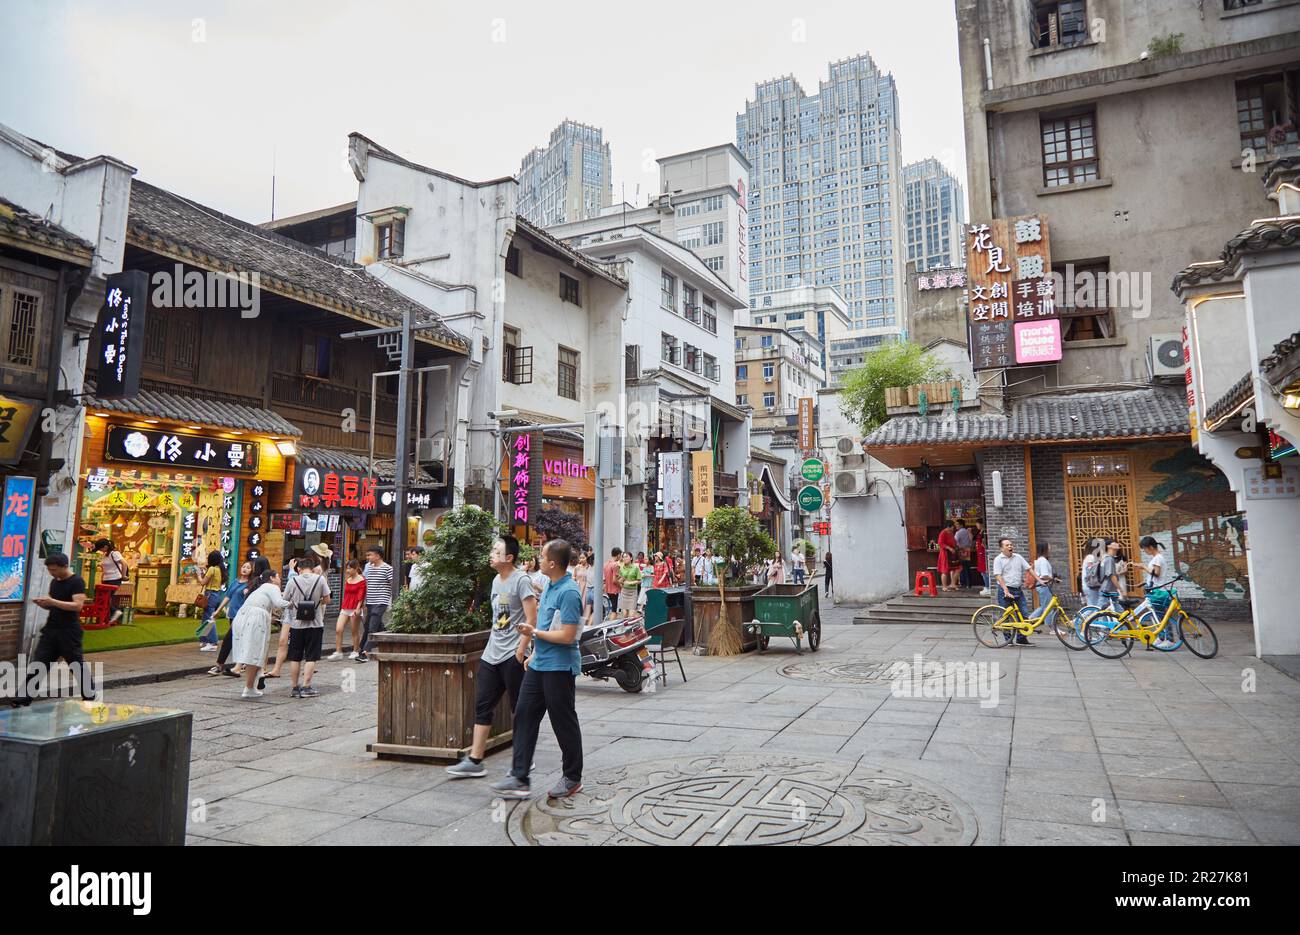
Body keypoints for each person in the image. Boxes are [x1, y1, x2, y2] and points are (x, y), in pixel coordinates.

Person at [490, 539, 584, 801]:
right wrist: (535, 652)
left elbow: (567, 636)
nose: (538, 559)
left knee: (562, 720)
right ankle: (519, 776)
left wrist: (534, 633)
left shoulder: (569, 592)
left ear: (552, 563)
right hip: (540, 664)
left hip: (559, 667)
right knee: (523, 714)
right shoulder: (550, 586)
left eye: (542, 556)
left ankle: (572, 777)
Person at [446, 535, 537, 779]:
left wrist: (521, 651)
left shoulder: (522, 580)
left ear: (509, 557)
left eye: (497, 552)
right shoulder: (497, 580)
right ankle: (476, 760)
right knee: (483, 705)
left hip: (512, 655)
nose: (492, 554)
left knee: (519, 708)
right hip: (492, 653)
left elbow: (532, 619)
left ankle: (523, 761)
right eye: (492, 550)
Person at [26, 554, 93, 702]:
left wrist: (53, 602)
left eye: (54, 570)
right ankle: (23, 697)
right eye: (50, 570)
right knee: (40, 662)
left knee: (75, 663)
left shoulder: (77, 581)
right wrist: (44, 603)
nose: (52, 573)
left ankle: (89, 694)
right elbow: (53, 605)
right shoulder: (54, 582)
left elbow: (77, 606)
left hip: (69, 631)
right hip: (51, 629)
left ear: (64, 566)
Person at [231, 568, 290, 699]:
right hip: (255, 619)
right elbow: (279, 603)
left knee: (252, 652)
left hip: (243, 616)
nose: (280, 579)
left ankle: (252, 684)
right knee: (255, 653)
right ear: (272, 578)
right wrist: (294, 604)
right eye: (278, 576)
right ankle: (249, 687)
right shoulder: (271, 586)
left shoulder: (261, 588)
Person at [283, 552, 330, 698]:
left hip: (297, 625)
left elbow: (285, 600)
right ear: (312, 567)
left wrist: (297, 605)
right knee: (311, 656)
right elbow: (327, 599)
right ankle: (306, 686)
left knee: (295, 657)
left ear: (299, 569)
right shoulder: (320, 580)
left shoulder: (293, 581)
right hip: (315, 624)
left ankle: (294, 687)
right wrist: (316, 603)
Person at [209, 561, 253, 676]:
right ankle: (242, 663)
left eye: (248, 568)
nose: (245, 569)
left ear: (252, 571)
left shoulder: (250, 585)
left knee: (228, 640)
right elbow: (228, 597)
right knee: (238, 640)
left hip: (242, 616)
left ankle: (220, 665)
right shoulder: (235, 582)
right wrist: (218, 610)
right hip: (232, 615)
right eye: (244, 566)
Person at [1137, 536, 1177, 650]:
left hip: (1159, 591)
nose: (1144, 551)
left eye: (1144, 549)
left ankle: (1170, 640)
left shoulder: (1158, 558)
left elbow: (1157, 573)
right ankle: (1161, 637)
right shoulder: (1156, 558)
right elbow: (1153, 575)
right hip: (1155, 589)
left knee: (1161, 616)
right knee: (1158, 616)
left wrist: (1143, 566)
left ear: (1150, 547)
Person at [992, 537, 1033, 646]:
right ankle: (1008, 640)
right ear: (1001, 548)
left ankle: (1021, 639)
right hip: (1005, 590)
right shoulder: (998, 559)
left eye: (1011, 544)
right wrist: (1005, 590)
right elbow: (998, 576)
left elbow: (1029, 569)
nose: (1010, 546)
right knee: (1006, 615)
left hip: (1018, 590)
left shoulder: (1018, 557)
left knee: (1024, 614)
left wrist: (1039, 580)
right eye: (1007, 545)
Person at [357, 546, 394, 663]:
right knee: (371, 626)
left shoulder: (388, 568)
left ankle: (364, 652)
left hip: (381, 601)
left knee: (372, 627)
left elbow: (393, 584)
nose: (367, 557)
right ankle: (389, 640)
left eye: (370, 555)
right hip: (370, 602)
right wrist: (363, 601)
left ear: (378, 556)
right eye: (367, 555)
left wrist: (393, 601)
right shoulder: (369, 568)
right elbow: (366, 585)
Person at [331, 559, 366, 661]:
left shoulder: (361, 580)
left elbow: (361, 595)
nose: (347, 570)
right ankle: (338, 651)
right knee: (338, 629)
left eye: (350, 568)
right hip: (345, 607)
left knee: (354, 631)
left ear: (355, 569)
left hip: (355, 608)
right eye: (347, 568)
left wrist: (358, 608)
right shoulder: (348, 579)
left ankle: (355, 650)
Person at [93, 538, 129, 624]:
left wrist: (123, 575)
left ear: (105, 547)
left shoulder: (115, 553)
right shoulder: (105, 555)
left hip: (115, 579)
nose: (100, 550)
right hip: (106, 579)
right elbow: (105, 568)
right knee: (102, 598)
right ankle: (109, 616)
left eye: (100, 548)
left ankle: (115, 612)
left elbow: (124, 563)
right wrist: (102, 577)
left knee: (109, 599)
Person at [197, 550, 226, 651]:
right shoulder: (220, 569)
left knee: (209, 618)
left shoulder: (212, 569)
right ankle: (204, 639)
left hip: (209, 594)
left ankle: (212, 643)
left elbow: (203, 582)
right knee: (206, 618)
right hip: (217, 595)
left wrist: (198, 575)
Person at [1032, 543, 1058, 621]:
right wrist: (1053, 578)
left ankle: (1030, 619)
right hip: (1043, 585)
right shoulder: (1043, 560)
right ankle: (1051, 627)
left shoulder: (1039, 560)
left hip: (1041, 586)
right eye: (1048, 547)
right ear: (1045, 549)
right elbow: (1044, 575)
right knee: (1048, 607)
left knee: (1044, 606)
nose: (1050, 549)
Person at [936, 520, 959, 592]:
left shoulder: (951, 533)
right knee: (945, 570)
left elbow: (954, 541)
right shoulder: (943, 533)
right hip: (945, 554)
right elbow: (940, 543)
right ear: (950, 526)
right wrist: (949, 548)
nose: (953, 528)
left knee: (957, 569)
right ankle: (944, 587)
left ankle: (953, 584)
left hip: (952, 554)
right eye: (953, 527)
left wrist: (956, 547)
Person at [1080, 541, 1104, 608]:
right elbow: (1091, 569)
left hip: (1088, 585)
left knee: (1093, 607)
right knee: (1093, 608)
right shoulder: (1091, 557)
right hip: (1091, 586)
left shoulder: (1088, 557)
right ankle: (1080, 618)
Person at [602, 546, 622, 618]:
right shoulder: (615, 565)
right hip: (614, 590)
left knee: (612, 608)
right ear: (618, 555)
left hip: (608, 589)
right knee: (614, 610)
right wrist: (621, 586)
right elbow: (614, 580)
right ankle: (611, 626)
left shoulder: (606, 564)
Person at [954, 519, 973, 588]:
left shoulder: (958, 533)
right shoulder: (967, 531)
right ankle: (969, 584)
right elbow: (971, 541)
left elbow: (955, 542)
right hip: (968, 550)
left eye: (957, 524)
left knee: (961, 567)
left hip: (961, 550)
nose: (956, 526)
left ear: (961, 525)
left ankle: (963, 583)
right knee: (967, 567)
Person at [975, 524, 989, 596]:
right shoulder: (980, 532)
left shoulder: (984, 532)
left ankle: (988, 587)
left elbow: (985, 543)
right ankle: (986, 586)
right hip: (980, 553)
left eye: (977, 523)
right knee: (982, 571)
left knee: (985, 571)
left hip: (983, 553)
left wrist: (983, 544)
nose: (976, 525)